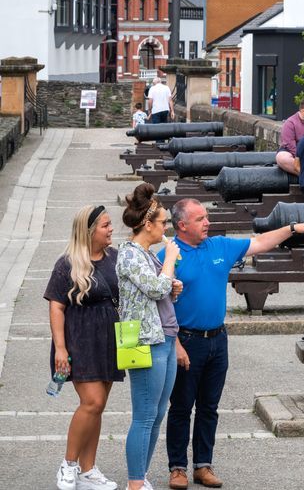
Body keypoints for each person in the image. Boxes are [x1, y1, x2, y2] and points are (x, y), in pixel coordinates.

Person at [162, 199, 304, 490]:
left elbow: (260, 243)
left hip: (217, 340)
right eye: (200, 219)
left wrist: (292, 228)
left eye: (206, 217)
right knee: (181, 407)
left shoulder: (219, 246)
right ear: (182, 225)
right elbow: (160, 304)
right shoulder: (169, 255)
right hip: (186, 341)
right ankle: (177, 468)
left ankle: (203, 465)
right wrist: (174, 344)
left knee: (209, 407)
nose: (207, 222)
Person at [45, 205, 123, 490]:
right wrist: (61, 349)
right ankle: (68, 464)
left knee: (97, 408)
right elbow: (56, 306)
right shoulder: (67, 263)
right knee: (92, 402)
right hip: (79, 341)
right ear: (90, 231)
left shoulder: (115, 257)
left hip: (109, 340)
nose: (111, 229)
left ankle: (88, 471)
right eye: (105, 225)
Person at [116, 184, 184, 490]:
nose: (166, 228)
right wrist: (169, 258)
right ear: (148, 224)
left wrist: (173, 286)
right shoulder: (129, 255)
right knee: (144, 415)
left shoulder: (144, 254)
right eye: (163, 223)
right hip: (142, 340)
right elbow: (155, 288)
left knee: (157, 413)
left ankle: (140, 477)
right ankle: (134, 483)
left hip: (164, 337)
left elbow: (159, 290)